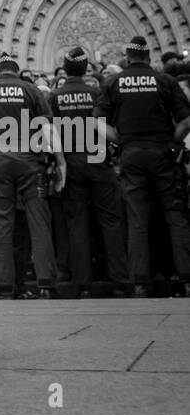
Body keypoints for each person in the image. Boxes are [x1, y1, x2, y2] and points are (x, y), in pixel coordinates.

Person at [97, 36, 190, 297]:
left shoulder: (113, 82)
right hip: (162, 152)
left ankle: (139, 282)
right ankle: (186, 278)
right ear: (149, 57)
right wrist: (172, 141)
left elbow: (98, 124)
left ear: (127, 58)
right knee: (174, 215)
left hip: (131, 153)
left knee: (137, 218)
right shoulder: (165, 81)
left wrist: (122, 141)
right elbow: (186, 121)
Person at [0, 57, 66, 299]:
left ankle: (4, 288)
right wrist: (61, 162)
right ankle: (46, 284)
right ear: (16, 72)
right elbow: (47, 128)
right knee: (39, 222)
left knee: (1, 224)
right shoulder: (31, 90)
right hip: (29, 160)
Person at [50, 46, 128, 298]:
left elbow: (49, 133)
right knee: (111, 221)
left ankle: (81, 285)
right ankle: (120, 282)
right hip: (98, 156)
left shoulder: (56, 95)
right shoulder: (97, 92)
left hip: (71, 161)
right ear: (86, 69)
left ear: (66, 67)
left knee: (77, 225)